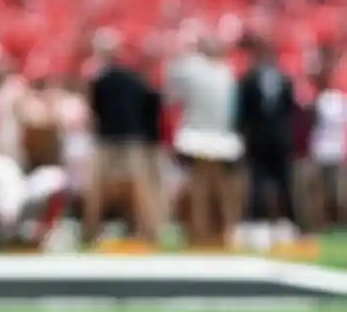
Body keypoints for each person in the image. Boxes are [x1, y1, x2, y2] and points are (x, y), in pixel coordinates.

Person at [166, 35, 243, 247]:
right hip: (221, 140)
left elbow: (171, 94)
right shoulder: (227, 72)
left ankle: (200, 233)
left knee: (201, 189)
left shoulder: (191, 69)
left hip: (199, 138)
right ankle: (224, 231)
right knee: (220, 188)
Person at [85, 34, 159, 243]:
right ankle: (149, 230)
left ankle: (91, 231)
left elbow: (95, 110)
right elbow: (150, 107)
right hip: (132, 139)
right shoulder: (136, 80)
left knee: (98, 188)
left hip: (107, 139)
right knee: (140, 187)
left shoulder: (99, 81)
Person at [236, 39, 299, 247]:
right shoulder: (248, 81)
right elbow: (243, 114)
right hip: (257, 142)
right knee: (257, 183)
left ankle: (288, 222)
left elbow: (290, 112)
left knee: (284, 183)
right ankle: (257, 223)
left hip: (280, 142)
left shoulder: (285, 81)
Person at [308, 65, 346, 231]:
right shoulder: (320, 100)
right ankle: (321, 223)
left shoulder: (340, 100)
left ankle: (337, 222)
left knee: (337, 191)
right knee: (321, 190)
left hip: (336, 149)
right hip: (321, 149)